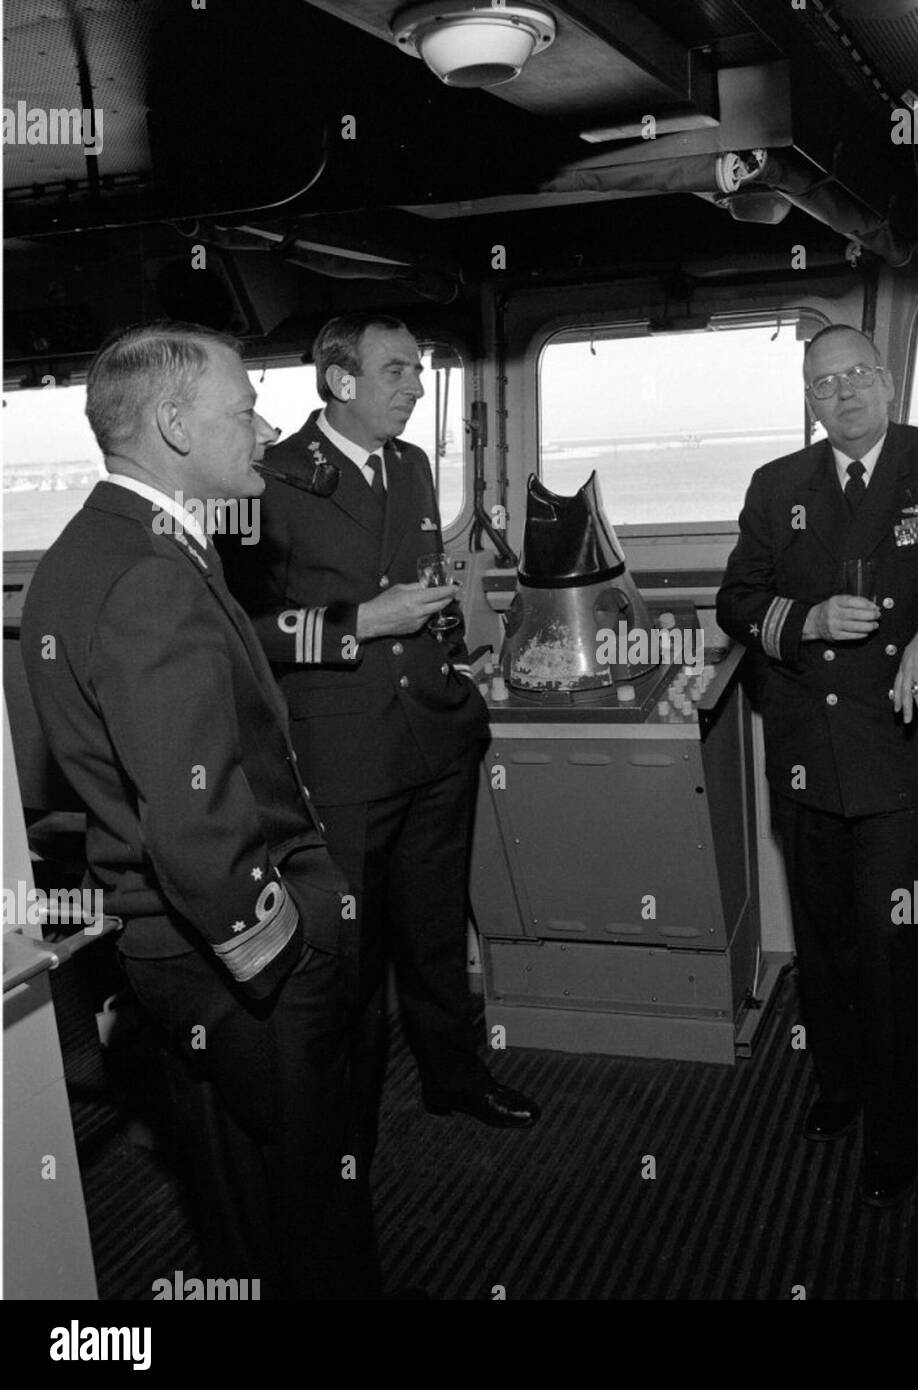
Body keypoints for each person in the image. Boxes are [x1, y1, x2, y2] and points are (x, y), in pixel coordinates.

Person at [21, 320, 380, 1298]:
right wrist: (288, 944)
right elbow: (194, 827)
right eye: (244, 409)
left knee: (247, 1191)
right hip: (226, 953)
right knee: (298, 1185)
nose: (264, 430)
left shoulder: (110, 546)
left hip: (178, 951)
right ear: (176, 426)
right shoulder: (147, 575)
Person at [222, 312, 539, 1155]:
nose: (416, 386)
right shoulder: (268, 478)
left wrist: (465, 668)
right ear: (340, 382)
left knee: (436, 933)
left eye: (420, 369)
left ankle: (453, 1078)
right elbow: (240, 631)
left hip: (436, 741)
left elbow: (429, 583)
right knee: (349, 958)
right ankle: (342, 1125)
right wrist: (357, 619)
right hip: (345, 754)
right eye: (396, 370)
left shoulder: (410, 464)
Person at [716, 325, 918, 1205]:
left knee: (888, 949)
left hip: (900, 755)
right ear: (808, 401)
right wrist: (802, 621)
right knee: (826, 943)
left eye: (854, 377)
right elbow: (737, 600)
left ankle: (900, 1128)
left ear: (887, 380)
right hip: (804, 752)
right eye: (821, 385)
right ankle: (837, 1089)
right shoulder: (778, 486)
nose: (840, 395)